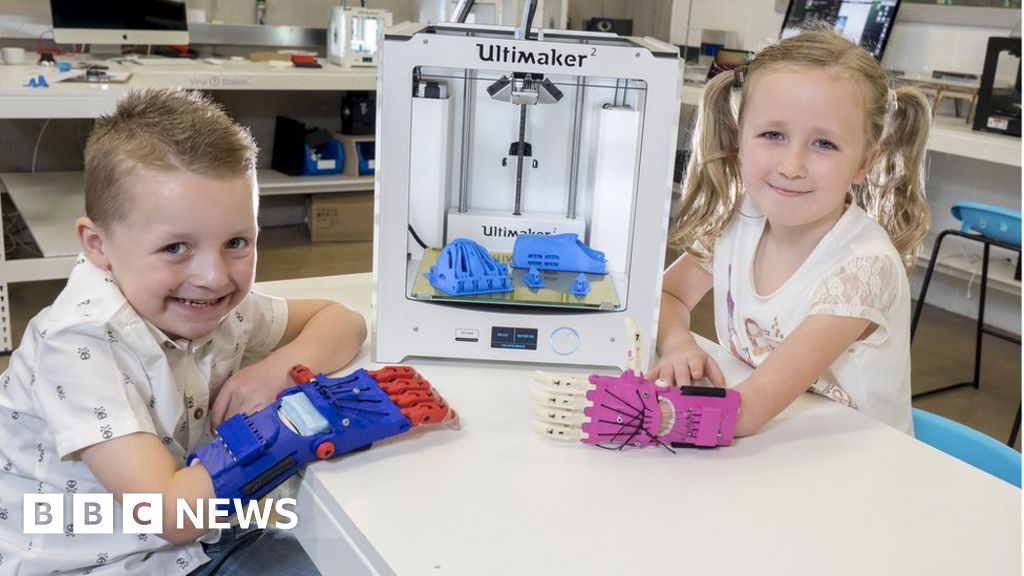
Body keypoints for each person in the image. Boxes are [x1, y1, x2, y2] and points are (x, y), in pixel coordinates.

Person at [0, 88, 367, 574]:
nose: (214, 276)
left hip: (204, 528)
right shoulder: (79, 340)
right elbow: (169, 514)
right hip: (104, 559)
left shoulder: (213, 306)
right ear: (98, 245)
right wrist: (291, 423)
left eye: (236, 242)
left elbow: (345, 320)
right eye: (176, 247)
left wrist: (277, 372)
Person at [649, 28, 931, 436]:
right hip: (781, 449)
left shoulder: (864, 268)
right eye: (773, 135)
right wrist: (678, 343)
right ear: (740, 138)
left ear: (863, 164)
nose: (792, 165)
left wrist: (640, 415)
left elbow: (747, 409)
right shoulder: (743, 217)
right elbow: (668, 294)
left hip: (858, 474)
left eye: (824, 144)